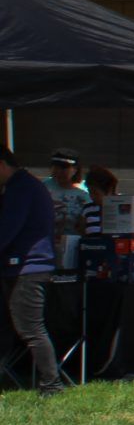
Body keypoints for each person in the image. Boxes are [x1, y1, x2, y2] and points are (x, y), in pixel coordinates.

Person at [1, 149, 67, 394]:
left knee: (31, 329)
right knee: (6, 327)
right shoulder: (25, 186)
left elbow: (7, 229)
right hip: (23, 266)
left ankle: (52, 384)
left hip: (27, 268)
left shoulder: (21, 189)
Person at [45, 150, 86, 271]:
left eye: (64, 168)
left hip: (72, 246)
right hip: (46, 245)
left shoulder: (84, 194)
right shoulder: (43, 187)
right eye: (55, 167)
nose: (58, 172)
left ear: (75, 169)